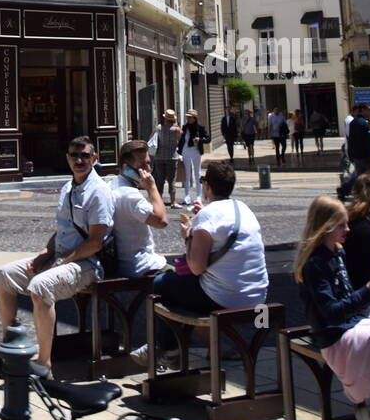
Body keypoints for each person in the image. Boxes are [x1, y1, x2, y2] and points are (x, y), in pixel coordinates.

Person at [0, 135, 111, 370]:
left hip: (88, 263)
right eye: (74, 156)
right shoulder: (68, 187)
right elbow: (63, 230)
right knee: (2, 276)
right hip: (62, 257)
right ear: (67, 159)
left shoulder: (99, 192)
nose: (79, 160)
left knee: (40, 286)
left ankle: (44, 363)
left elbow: (95, 242)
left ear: (95, 159)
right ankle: (11, 345)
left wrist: (62, 262)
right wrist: (45, 254)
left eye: (85, 156)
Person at [139, 160, 269, 368]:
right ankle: (212, 345)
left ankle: (170, 349)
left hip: (226, 298)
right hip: (258, 295)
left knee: (160, 284)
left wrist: (188, 235)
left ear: (207, 187)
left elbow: (196, 267)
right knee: (182, 287)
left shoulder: (208, 216)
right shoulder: (243, 208)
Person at [295, 195, 370, 420]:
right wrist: (368, 291)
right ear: (325, 227)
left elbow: (346, 296)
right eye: (341, 225)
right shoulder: (315, 264)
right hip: (334, 334)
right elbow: (331, 312)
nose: (348, 230)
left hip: (354, 323)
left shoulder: (337, 253)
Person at [111, 140, 168, 277]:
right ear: (126, 168)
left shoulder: (113, 184)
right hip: (142, 266)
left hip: (126, 263)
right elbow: (161, 221)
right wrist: (152, 188)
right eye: (142, 165)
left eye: (149, 163)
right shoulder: (129, 195)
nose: (148, 169)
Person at [150, 110, 181, 208]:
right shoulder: (176, 129)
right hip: (172, 156)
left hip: (159, 156)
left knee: (160, 179)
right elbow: (181, 139)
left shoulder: (158, 128)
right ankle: (173, 202)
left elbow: (151, 137)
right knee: (172, 180)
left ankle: (159, 201)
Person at [177, 110, 208, 205]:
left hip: (196, 151)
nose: (188, 118)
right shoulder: (185, 127)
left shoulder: (200, 128)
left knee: (197, 173)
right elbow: (182, 139)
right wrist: (179, 150)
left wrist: (200, 139)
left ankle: (198, 196)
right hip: (186, 151)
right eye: (187, 117)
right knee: (187, 174)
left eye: (190, 117)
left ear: (194, 118)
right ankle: (187, 196)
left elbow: (207, 138)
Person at [348, 104, 370, 176]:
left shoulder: (353, 122)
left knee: (361, 179)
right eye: (369, 110)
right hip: (366, 156)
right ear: (363, 110)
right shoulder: (363, 122)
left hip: (357, 156)